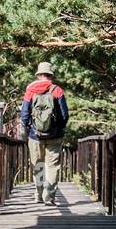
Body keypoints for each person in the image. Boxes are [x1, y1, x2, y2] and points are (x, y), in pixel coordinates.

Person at [20, 61, 69, 205]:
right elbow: (64, 115)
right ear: (50, 75)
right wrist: (58, 128)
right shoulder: (57, 90)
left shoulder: (30, 90)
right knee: (52, 166)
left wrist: (32, 128)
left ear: (38, 75)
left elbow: (24, 114)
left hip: (35, 136)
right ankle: (50, 197)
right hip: (55, 136)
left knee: (38, 165)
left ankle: (38, 194)